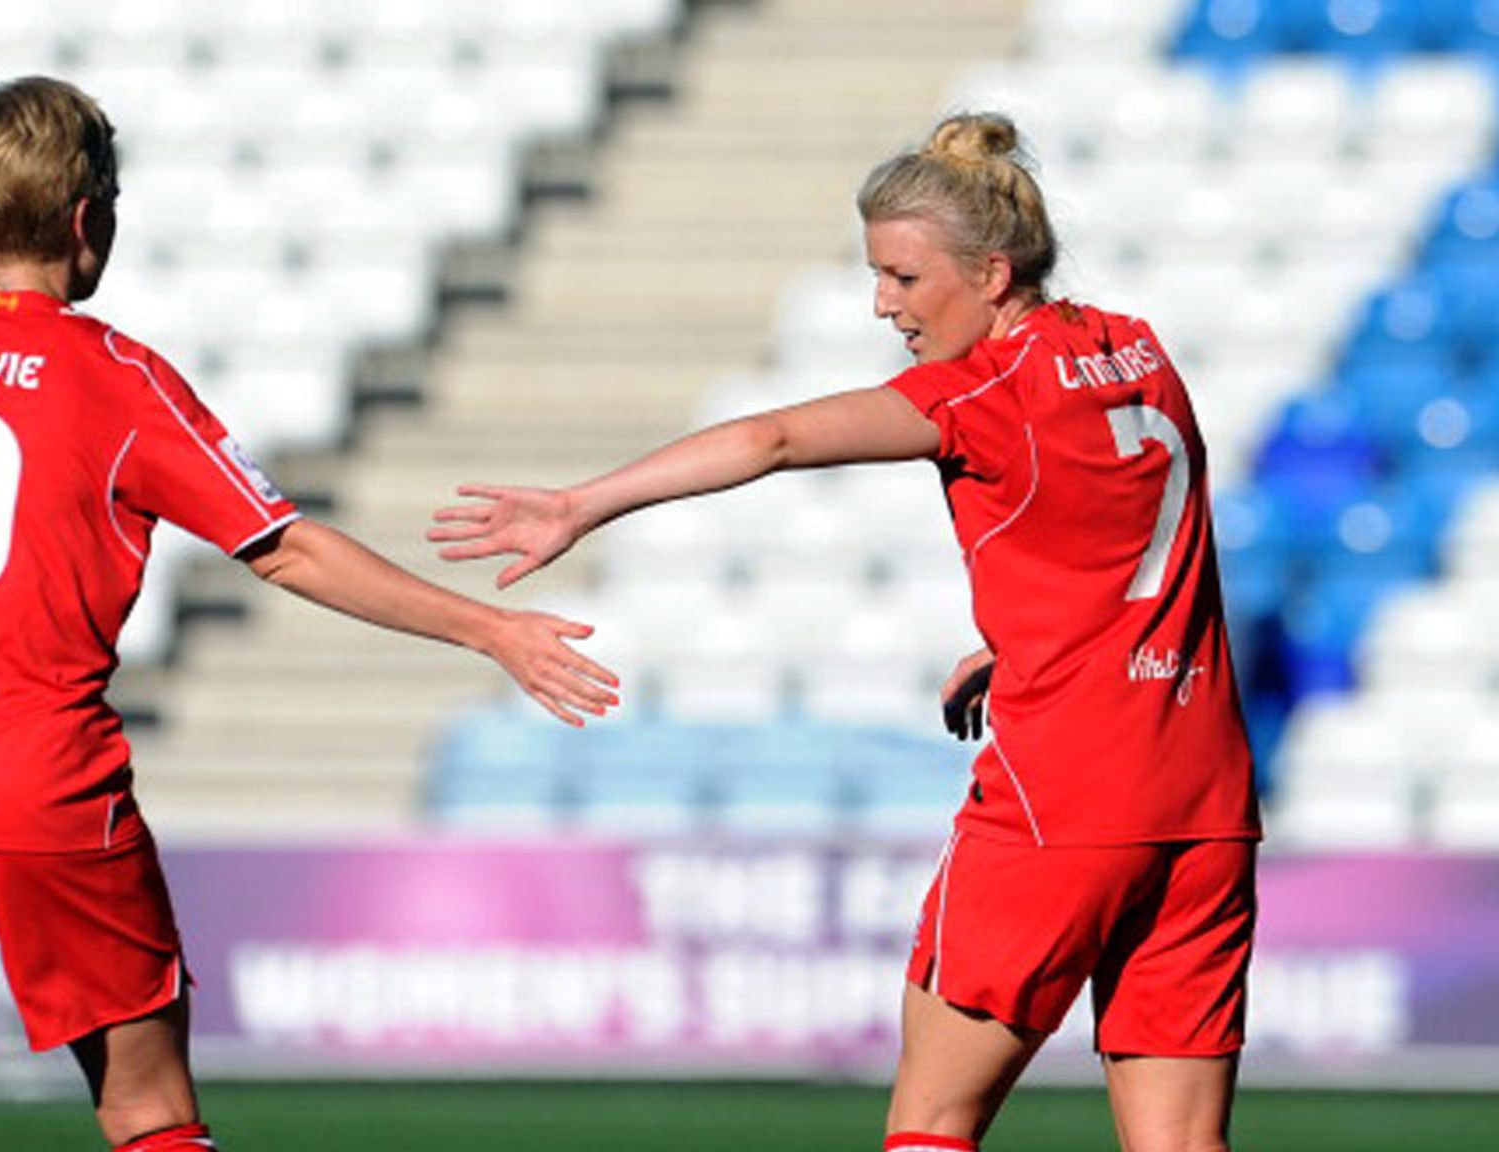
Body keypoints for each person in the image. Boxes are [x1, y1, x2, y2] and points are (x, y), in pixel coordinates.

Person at [0, 76, 618, 1152]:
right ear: (83, 218)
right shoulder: (117, 380)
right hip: (37, 781)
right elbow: (283, 546)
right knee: (149, 1114)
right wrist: (488, 628)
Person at [429, 112, 1259, 1152]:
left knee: (930, 1127)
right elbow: (1123, 526)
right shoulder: (1132, 346)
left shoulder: (982, 393)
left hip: (1061, 802)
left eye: (903, 279)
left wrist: (581, 503)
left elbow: (771, 437)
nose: (883, 306)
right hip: (1202, 806)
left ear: (992, 273)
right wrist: (1026, 642)